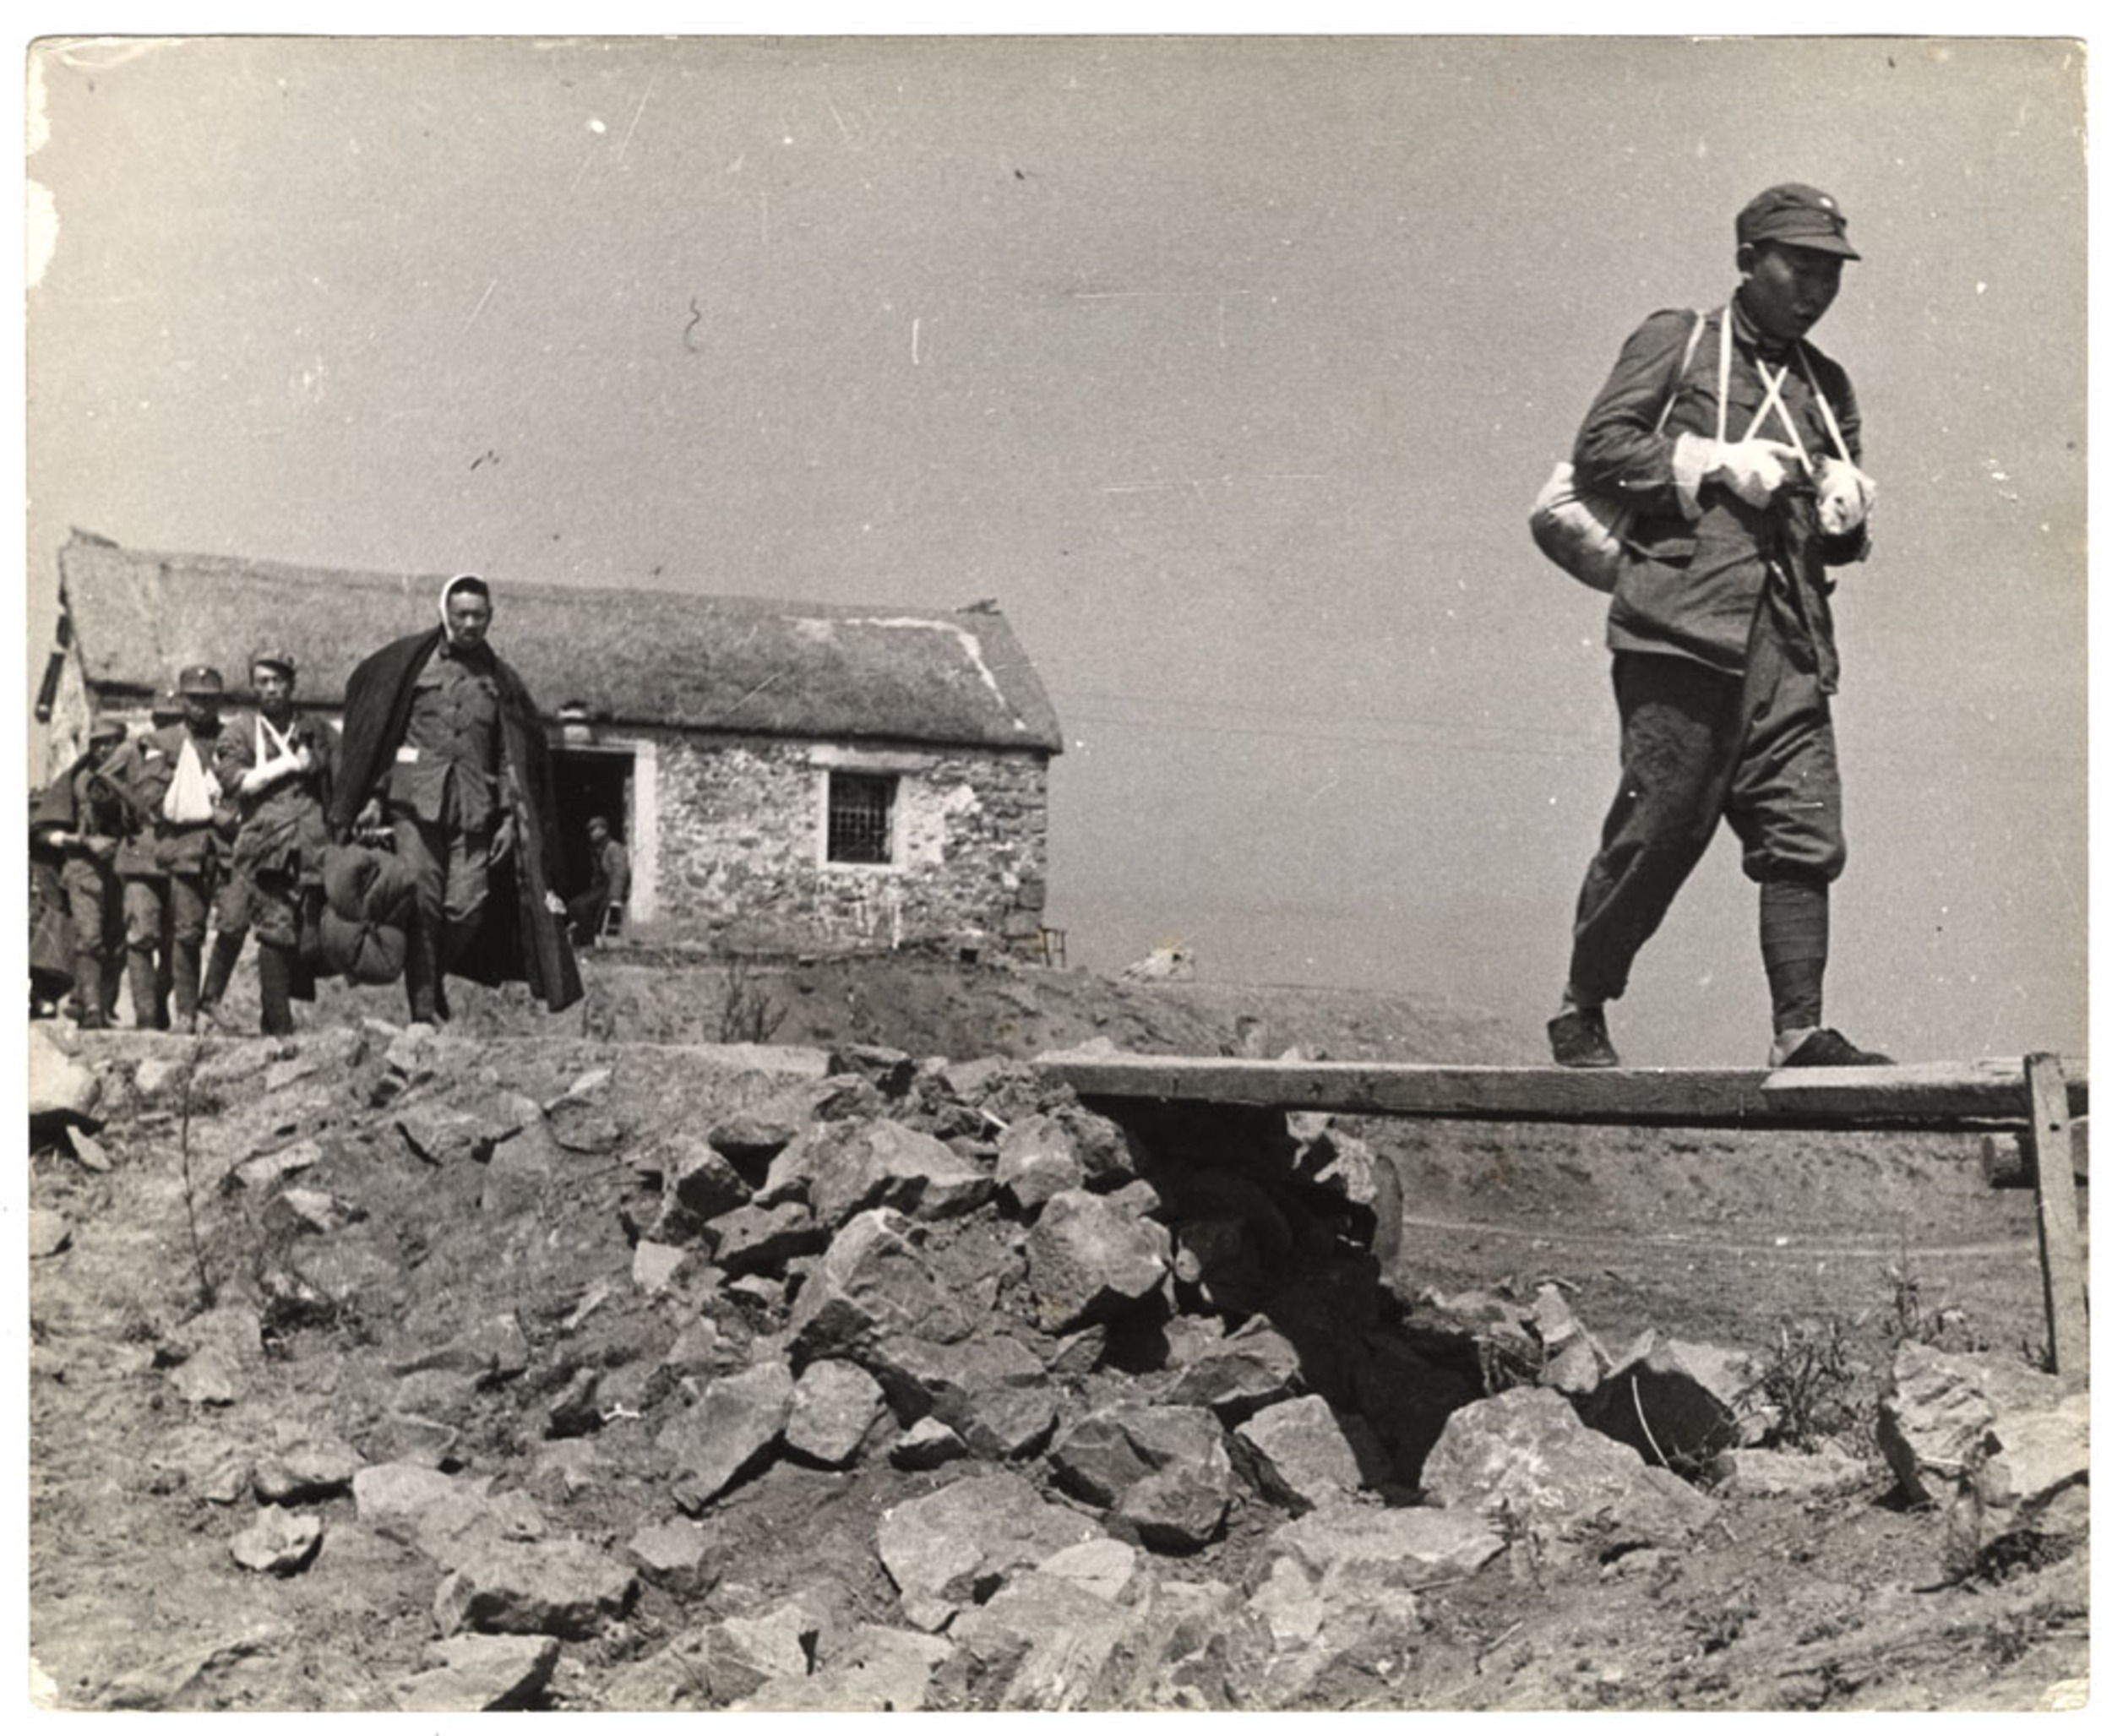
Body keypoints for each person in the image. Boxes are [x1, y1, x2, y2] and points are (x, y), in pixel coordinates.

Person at [1547, 183, 1889, 1071]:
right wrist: (1707, 461)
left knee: (1804, 830)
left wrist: (1848, 518)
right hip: (1680, 629)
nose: (1815, 287)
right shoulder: (1680, 340)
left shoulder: (1827, 387)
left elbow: (1836, 542)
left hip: (1791, 640)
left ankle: (1799, 1032)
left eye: (1828, 271)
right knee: (1659, 829)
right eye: (1798, 264)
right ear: (1749, 261)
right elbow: (1603, 448)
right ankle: (1581, 1004)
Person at [330, 572, 580, 1024]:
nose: (470, 624)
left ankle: (431, 973)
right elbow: (384, 736)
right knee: (422, 903)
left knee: (467, 907)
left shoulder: (502, 681)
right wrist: (373, 797)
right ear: (445, 613)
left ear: (490, 618)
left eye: (479, 615)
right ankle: (423, 1011)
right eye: (461, 614)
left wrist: (509, 817)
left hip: (475, 808)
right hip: (414, 804)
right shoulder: (412, 666)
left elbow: (512, 753)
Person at [199, 650, 338, 1035]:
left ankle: (276, 1023)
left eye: (278, 680)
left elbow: (345, 770)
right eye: (263, 681)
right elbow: (238, 782)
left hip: (304, 846)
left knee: (282, 931)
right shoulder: (240, 730)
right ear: (253, 685)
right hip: (259, 844)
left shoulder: (317, 729)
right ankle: (210, 999)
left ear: (292, 683)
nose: (272, 688)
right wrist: (292, 765)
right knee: (232, 921)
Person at [103, 665, 229, 1031]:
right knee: (141, 934)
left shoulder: (223, 740)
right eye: (163, 715)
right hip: (144, 852)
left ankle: (169, 1008)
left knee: (184, 936)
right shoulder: (142, 747)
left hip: (190, 853)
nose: (168, 720)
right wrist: (132, 811)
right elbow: (109, 784)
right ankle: (146, 1016)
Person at [34, 718, 129, 1027]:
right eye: (98, 743)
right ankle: (90, 1009)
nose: (104, 749)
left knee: (118, 941)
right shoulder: (77, 779)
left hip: (126, 868)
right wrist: (85, 841)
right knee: (89, 938)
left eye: (111, 742)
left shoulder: (137, 775)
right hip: (84, 867)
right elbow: (44, 833)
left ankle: (101, 1004)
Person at [567, 814, 631, 946]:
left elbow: (620, 873)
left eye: (594, 830)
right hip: (600, 888)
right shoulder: (598, 849)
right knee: (573, 905)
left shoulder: (614, 848)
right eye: (590, 830)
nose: (591, 833)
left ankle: (591, 940)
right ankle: (583, 938)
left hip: (610, 889)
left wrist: (615, 897)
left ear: (603, 830)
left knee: (581, 907)